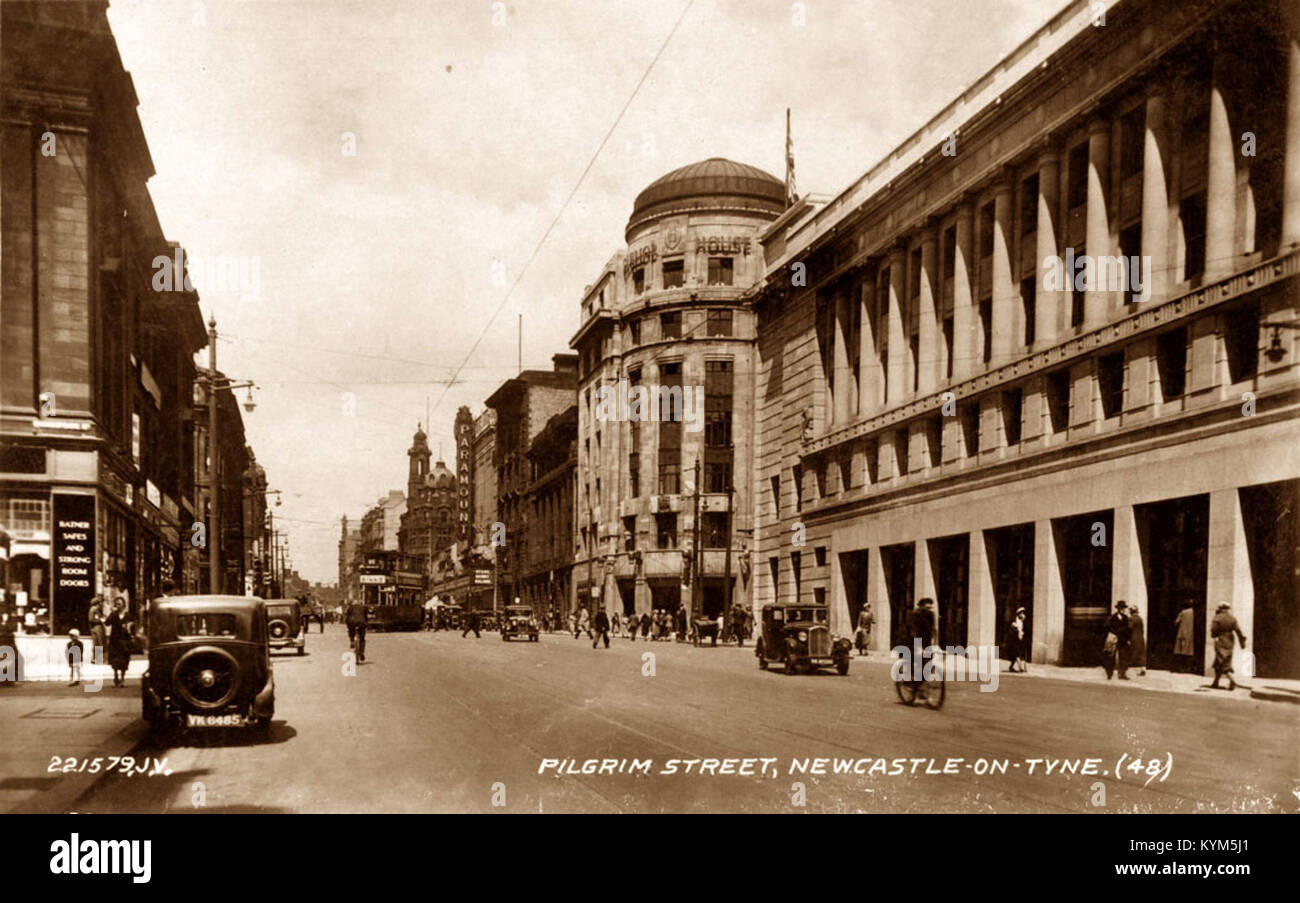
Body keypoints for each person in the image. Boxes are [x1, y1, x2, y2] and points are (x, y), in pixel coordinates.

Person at [905, 598, 937, 699]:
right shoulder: (914, 614)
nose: (928, 609)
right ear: (921, 606)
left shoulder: (931, 615)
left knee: (929, 665)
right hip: (914, 641)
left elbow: (934, 630)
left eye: (930, 607)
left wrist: (935, 643)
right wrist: (918, 646)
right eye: (926, 607)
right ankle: (912, 687)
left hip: (926, 642)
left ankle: (921, 687)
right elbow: (913, 630)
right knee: (918, 664)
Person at [1210, 603, 1247, 690]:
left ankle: (1232, 680)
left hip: (1221, 640)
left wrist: (1214, 636)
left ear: (1220, 608)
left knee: (1221, 661)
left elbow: (1213, 630)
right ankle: (1215, 682)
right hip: (1230, 641)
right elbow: (1238, 631)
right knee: (1223, 660)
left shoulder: (1217, 618)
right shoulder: (1232, 618)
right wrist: (1242, 641)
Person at [105, 598, 132, 687]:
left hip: (124, 640)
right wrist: (111, 613)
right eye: (116, 604)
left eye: (120, 604)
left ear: (124, 605)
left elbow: (131, 626)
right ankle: (116, 676)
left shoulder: (127, 615)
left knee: (124, 660)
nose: (118, 606)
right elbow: (107, 623)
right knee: (115, 660)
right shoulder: (114, 614)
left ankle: (122, 679)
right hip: (115, 640)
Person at [1102, 601, 1131, 680]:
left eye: (1123, 608)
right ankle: (1109, 673)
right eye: (1121, 608)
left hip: (1123, 639)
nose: (1122, 610)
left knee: (1123, 656)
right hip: (1114, 638)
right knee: (1111, 656)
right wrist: (1115, 633)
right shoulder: (1112, 617)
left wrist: (1128, 639)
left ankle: (1122, 674)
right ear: (1118, 609)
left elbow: (1128, 629)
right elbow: (1108, 627)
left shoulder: (1125, 618)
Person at [1172, 600, 1196, 673]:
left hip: (1182, 633)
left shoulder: (1183, 612)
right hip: (1191, 634)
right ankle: (1189, 668)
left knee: (1181, 652)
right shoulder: (1194, 612)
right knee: (1189, 652)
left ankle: (1181, 668)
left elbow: (1176, 622)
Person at [1007, 607, 1028, 673]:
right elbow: (1013, 630)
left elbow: (1024, 630)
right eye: (1021, 613)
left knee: (1016, 655)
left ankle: (1011, 667)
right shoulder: (1014, 622)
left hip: (1020, 640)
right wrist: (1018, 631)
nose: (1022, 614)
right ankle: (1020, 668)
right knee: (1017, 654)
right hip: (1014, 641)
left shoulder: (1022, 622)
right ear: (1018, 614)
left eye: (1023, 613)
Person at [1128, 605, 1146, 677]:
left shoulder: (1131, 619)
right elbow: (1142, 630)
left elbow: (1129, 628)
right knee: (1141, 653)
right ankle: (1143, 669)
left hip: (1133, 638)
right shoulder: (1140, 619)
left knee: (1132, 653)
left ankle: (1128, 669)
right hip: (1140, 638)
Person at [88, 596, 106, 666]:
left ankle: (95, 659)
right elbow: (91, 619)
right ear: (97, 603)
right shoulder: (94, 609)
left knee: (96, 642)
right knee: (98, 642)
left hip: (96, 628)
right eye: (99, 603)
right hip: (97, 627)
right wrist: (100, 620)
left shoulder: (94, 609)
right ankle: (97, 659)